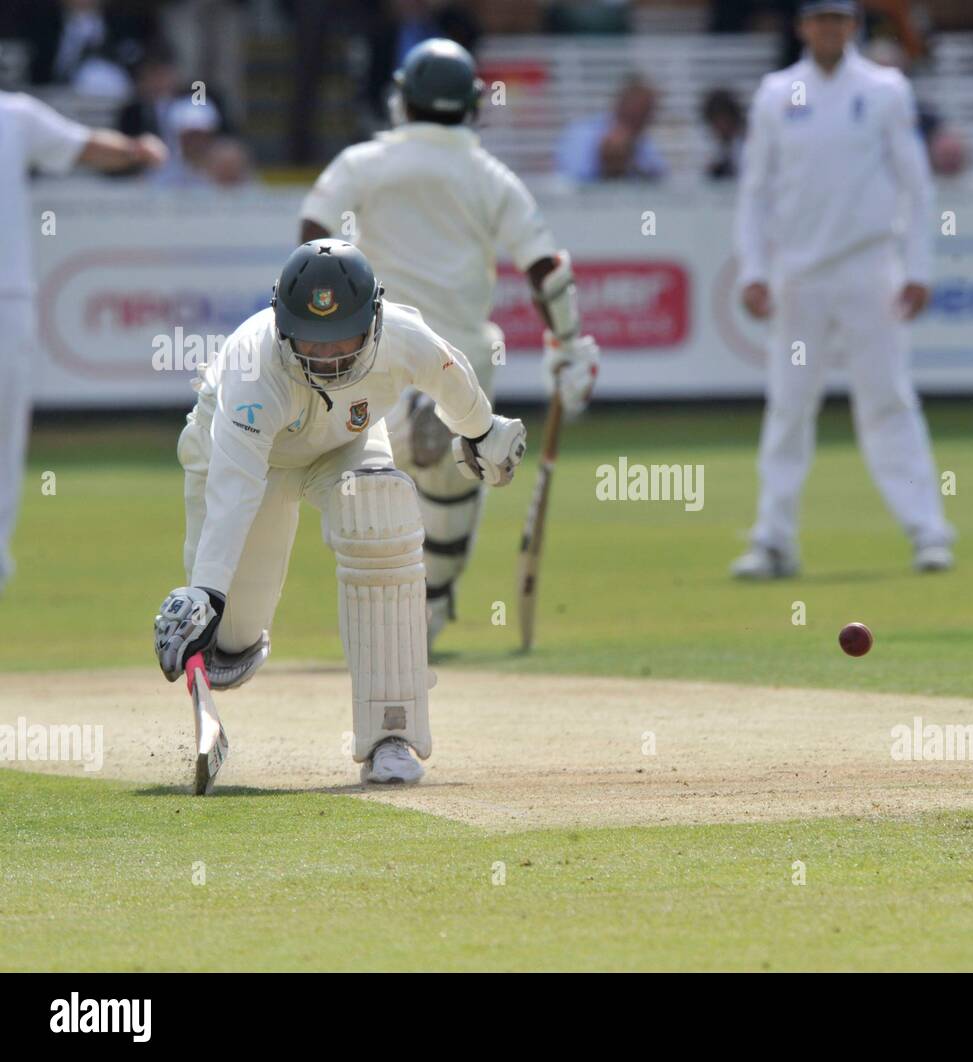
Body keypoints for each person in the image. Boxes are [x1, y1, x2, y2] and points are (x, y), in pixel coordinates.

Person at [151, 239, 528, 785]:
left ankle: (390, 736)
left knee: (381, 515)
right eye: (311, 340)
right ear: (282, 323)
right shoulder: (252, 369)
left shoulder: (401, 334)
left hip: (345, 445)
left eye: (341, 340)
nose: (326, 358)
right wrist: (206, 594)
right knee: (230, 646)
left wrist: (482, 430)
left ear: (373, 320)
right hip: (249, 459)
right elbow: (234, 491)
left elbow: (450, 374)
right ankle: (222, 637)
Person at [300, 39, 599, 654]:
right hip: (463, 354)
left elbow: (312, 234)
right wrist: (569, 345)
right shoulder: (490, 175)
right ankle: (432, 604)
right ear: (470, 106)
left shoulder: (364, 160)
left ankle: (407, 446)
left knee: (377, 482)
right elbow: (548, 270)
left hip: (378, 347)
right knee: (460, 490)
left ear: (403, 98)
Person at [731, 0, 953, 580]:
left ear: (853, 25)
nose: (828, 29)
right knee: (788, 405)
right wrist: (754, 268)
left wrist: (918, 268)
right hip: (799, 276)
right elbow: (755, 190)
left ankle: (928, 531)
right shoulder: (777, 93)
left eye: (839, 18)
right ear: (802, 26)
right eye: (818, 19)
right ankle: (773, 540)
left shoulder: (885, 90)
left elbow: (916, 185)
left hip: (868, 269)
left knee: (887, 400)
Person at [0, 90, 166, 596]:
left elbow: (88, 146)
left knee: (5, 438)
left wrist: (137, 150)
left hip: (6, 297)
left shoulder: (14, 115)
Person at [555, 75, 667, 183]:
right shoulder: (581, 133)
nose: (644, 118)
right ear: (621, 104)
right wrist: (605, 160)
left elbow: (659, 175)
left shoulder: (644, 143)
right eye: (639, 111)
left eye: (647, 112)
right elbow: (574, 177)